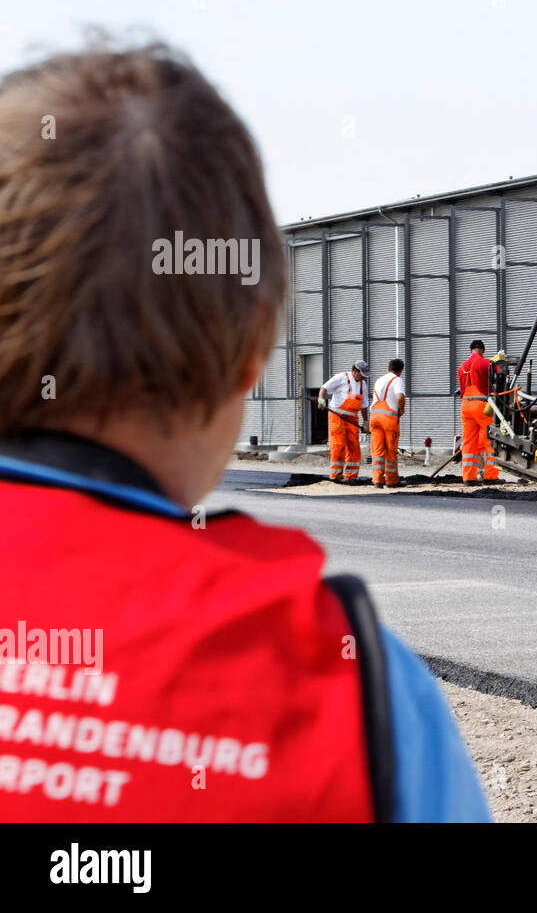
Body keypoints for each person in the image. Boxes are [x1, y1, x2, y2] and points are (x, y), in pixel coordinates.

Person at [0, 41, 490, 821]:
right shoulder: (357, 691)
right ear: (250, 348)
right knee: (372, 451)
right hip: (369, 428)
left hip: (372, 427)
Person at [457, 340, 500, 485]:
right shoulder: (485, 363)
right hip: (481, 405)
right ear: (483, 350)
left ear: (470, 350)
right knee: (490, 440)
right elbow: (499, 373)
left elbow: (462, 389)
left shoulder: (462, 366)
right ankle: (490, 476)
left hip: (465, 405)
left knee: (469, 442)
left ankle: (468, 478)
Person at [318, 360, 369, 483]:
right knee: (339, 444)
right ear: (355, 371)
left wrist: (366, 422)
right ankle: (336, 475)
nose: (363, 377)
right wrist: (321, 399)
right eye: (361, 374)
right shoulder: (341, 378)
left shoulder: (363, 385)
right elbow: (324, 388)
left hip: (352, 419)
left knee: (354, 447)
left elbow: (364, 405)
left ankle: (351, 476)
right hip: (337, 416)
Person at [370, 359, 407, 488]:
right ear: (401, 370)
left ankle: (378, 480)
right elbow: (400, 397)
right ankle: (391, 480)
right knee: (391, 451)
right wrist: (401, 409)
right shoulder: (397, 380)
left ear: (388, 368)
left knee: (377, 450)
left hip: (374, 418)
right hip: (388, 419)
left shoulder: (379, 380)